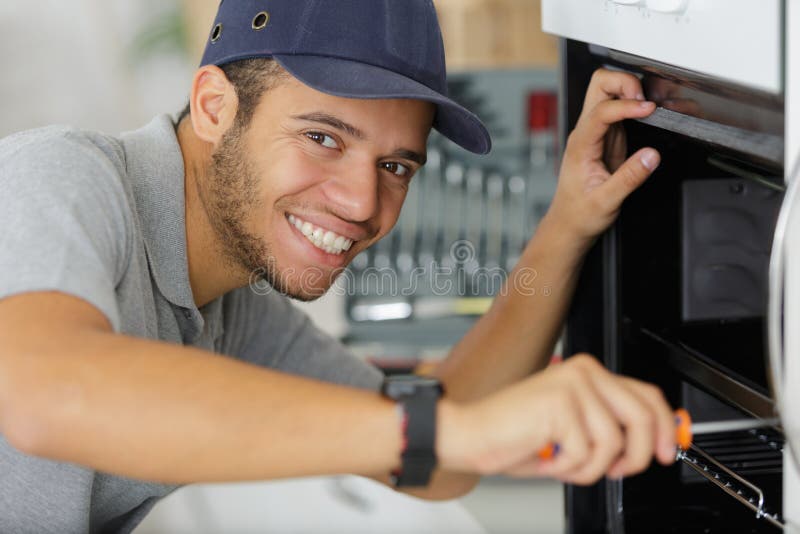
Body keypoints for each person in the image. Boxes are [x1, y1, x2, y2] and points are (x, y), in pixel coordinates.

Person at [0, 1, 675, 532]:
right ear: (213, 106)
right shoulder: (59, 177)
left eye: (394, 166)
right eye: (322, 137)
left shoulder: (234, 313)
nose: (361, 203)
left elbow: (435, 450)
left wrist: (569, 221)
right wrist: (454, 432)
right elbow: (48, 391)